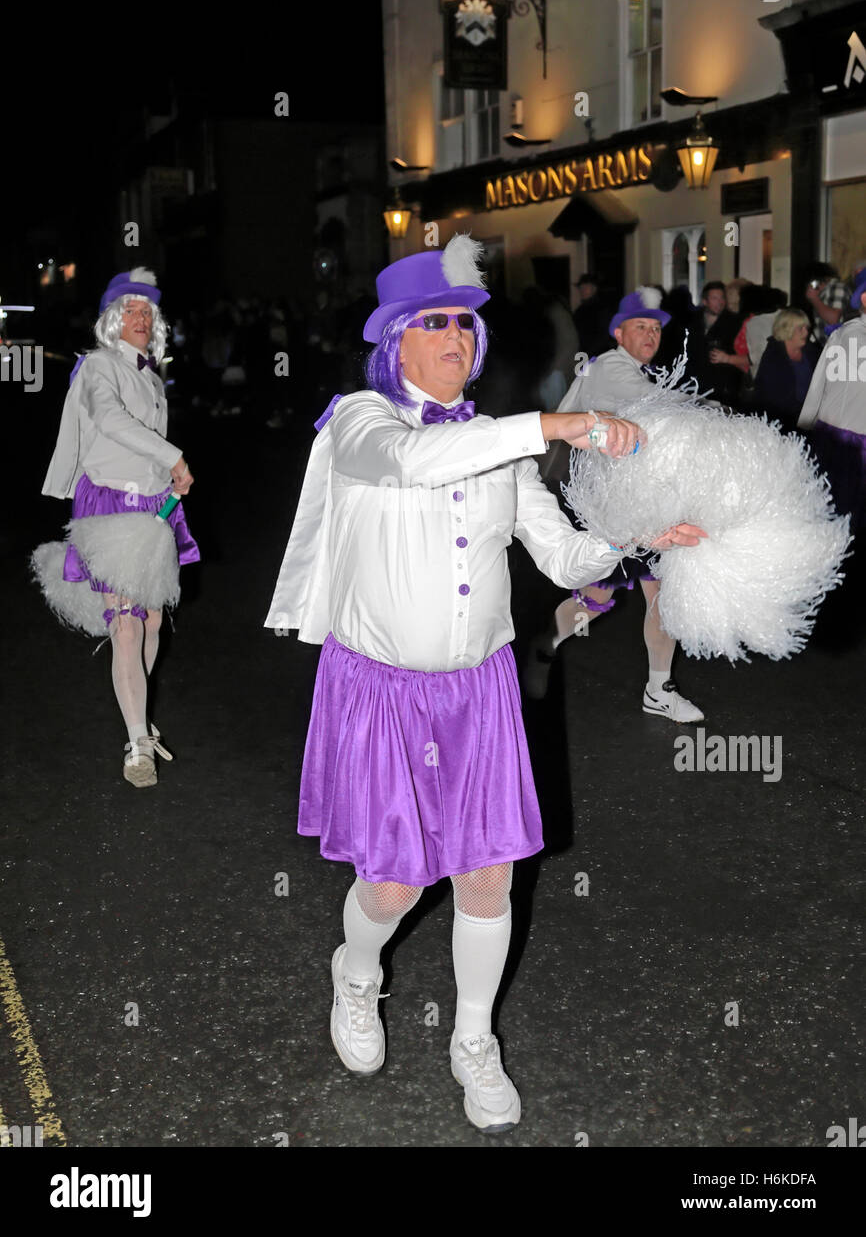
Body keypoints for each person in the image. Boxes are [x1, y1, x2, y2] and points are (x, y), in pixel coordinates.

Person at [264, 236, 704, 1135]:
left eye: (465, 324)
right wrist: (556, 427)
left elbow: (558, 549)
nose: (458, 338)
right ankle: (356, 977)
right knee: (389, 889)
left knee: (487, 879)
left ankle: (473, 1040)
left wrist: (643, 536)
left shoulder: (493, 446)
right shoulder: (359, 422)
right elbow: (414, 464)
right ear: (396, 342)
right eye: (437, 324)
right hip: (382, 694)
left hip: (480, 694)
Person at [33, 268, 198, 787]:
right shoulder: (98, 367)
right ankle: (136, 745)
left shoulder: (152, 376)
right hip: (106, 501)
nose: (141, 318)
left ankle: (138, 717)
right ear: (111, 320)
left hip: (152, 506)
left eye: (148, 312)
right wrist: (175, 456)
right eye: (131, 309)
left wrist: (170, 484)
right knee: (124, 623)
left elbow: (148, 443)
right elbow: (108, 421)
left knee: (150, 622)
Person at [525, 287, 705, 722]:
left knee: (661, 593)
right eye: (640, 326)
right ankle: (542, 649)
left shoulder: (637, 370)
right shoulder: (609, 368)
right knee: (595, 595)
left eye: (656, 328)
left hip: (639, 503)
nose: (651, 334)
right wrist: (718, 412)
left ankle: (659, 688)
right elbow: (661, 409)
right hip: (603, 505)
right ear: (618, 332)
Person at [798, 266, 866, 531]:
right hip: (850, 443)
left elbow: (817, 387)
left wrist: (806, 428)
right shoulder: (850, 335)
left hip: (833, 436)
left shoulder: (842, 333)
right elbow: (819, 386)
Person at [752, 308, 820, 429]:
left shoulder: (811, 352)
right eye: (800, 329)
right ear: (786, 330)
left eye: (806, 328)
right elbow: (772, 399)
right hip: (780, 423)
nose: (806, 333)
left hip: (808, 419)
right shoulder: (773, 356)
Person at [688, 281, 748, 408]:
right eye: (714, 298)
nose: (719, 302)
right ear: (704, 301)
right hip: (696, 387)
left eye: (722, 298)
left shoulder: (735, 322)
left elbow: (746, 356)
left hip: (725, 388)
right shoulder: (692, 320)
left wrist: (727, 358)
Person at [571, 272, 613, 360]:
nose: (582, 290)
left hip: (597, 358)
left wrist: (588, 354)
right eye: (581, 288)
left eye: (586, 287)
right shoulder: (579, 311)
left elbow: (603, 337)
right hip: (582, 357)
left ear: (594, 289)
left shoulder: (602, 309)